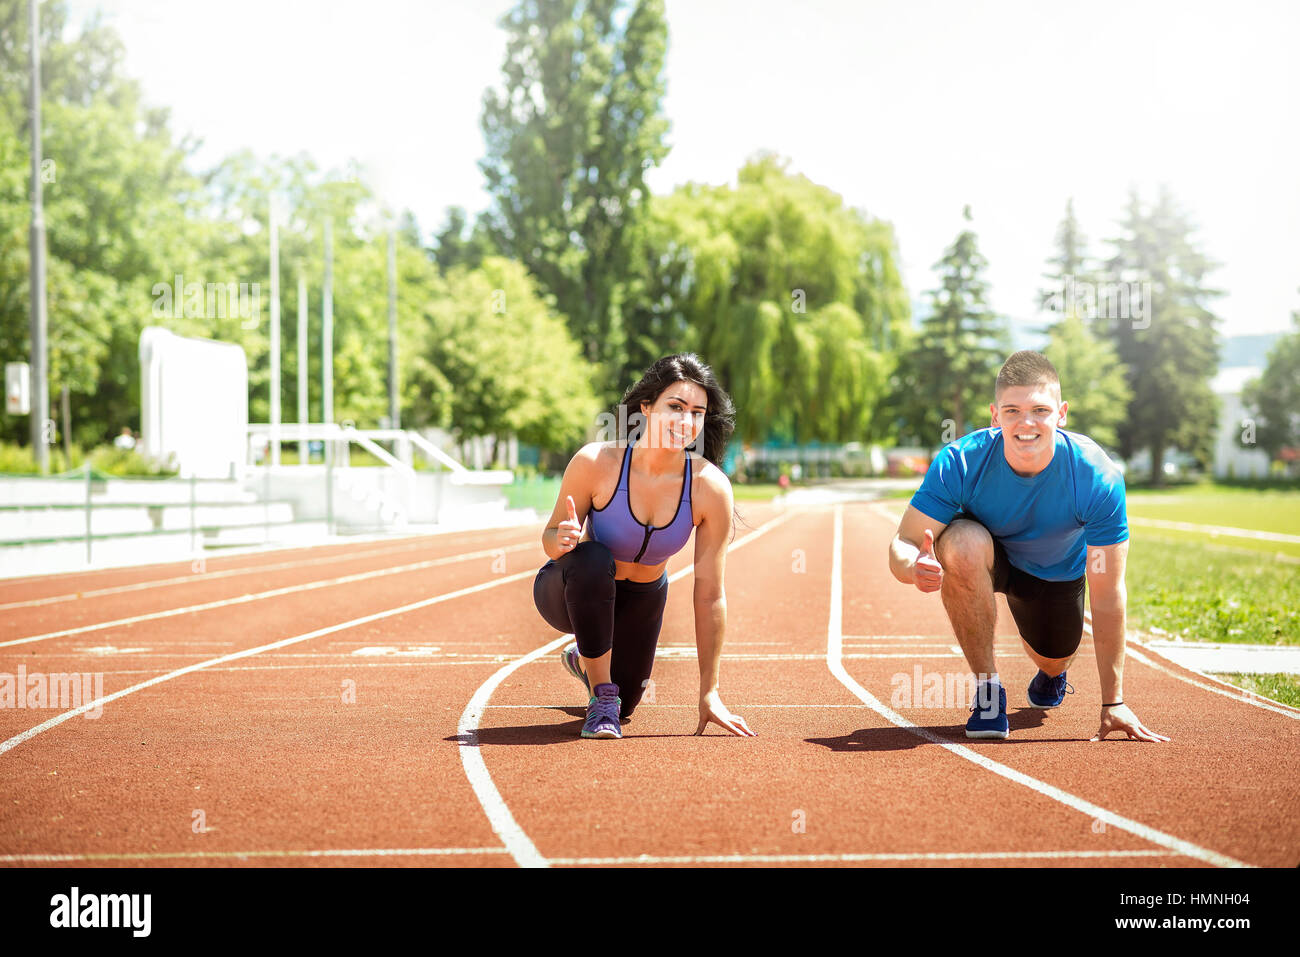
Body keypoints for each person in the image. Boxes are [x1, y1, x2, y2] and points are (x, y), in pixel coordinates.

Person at [887, 350, 1168, 743]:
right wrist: (912, 568)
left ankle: (1052, 675)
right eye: (1013, 411)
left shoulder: (1097, 477)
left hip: (1052, 575)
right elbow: (904, 541)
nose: (1026, 423)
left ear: (1062, 413)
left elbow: (1107, 594)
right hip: (987, 555)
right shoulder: (960, 462)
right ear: (994, 415)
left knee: (1052, 659)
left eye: (1039, 409)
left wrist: (1113, 702)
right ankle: (988, 692)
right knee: (962, 541)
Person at [533, 353, 755, 740]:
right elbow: (550, 539)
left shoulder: (710, 487)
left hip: (642, 596)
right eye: (675, 406)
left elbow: (709, 595)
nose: (686, 421)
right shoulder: (596, 462)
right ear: (646, 407)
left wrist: (710, 693)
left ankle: (585, 659)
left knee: (631, 701)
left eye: (697, 413)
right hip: (574, 589)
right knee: (593, 559)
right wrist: (561, 539)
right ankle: (601, 696)